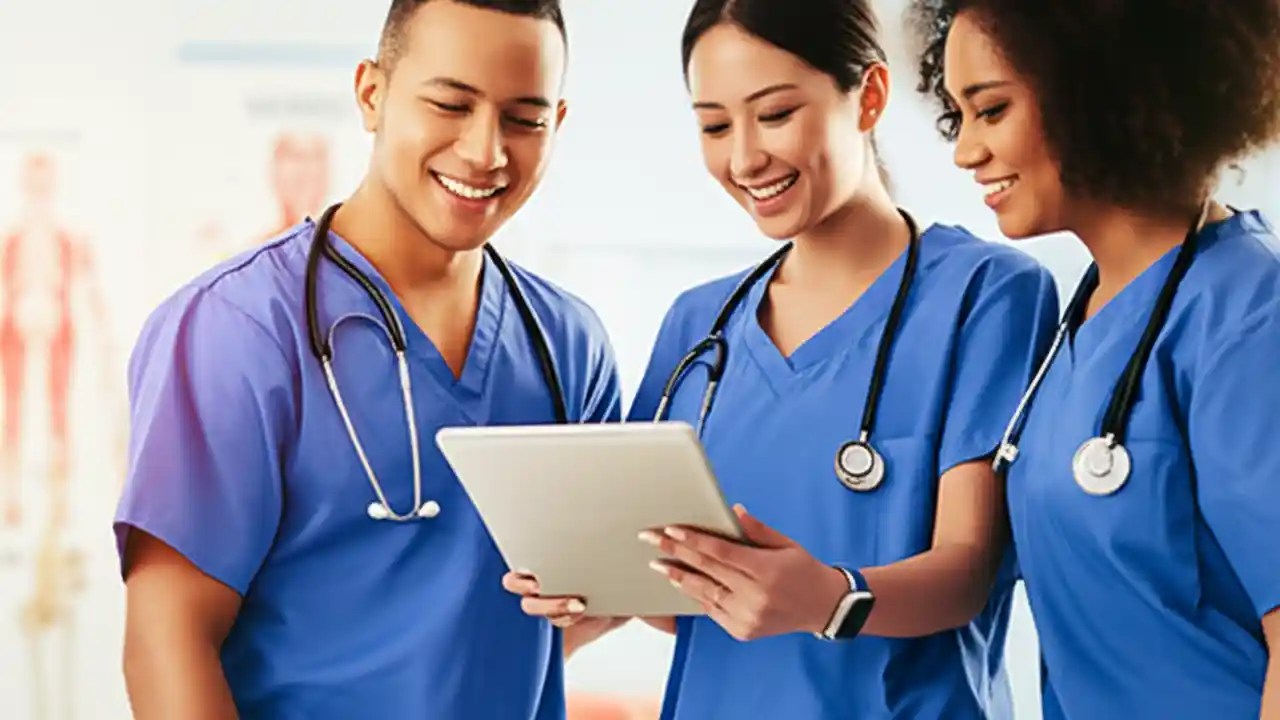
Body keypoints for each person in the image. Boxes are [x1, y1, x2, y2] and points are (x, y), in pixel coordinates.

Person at [506, 0, 1059, 717]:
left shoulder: (986, 294)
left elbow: (968, 573)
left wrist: (830, 598)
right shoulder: (699, 327)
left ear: (869, 96)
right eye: (713, 125)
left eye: (774, 115)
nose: (744, 157)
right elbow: (678, 597)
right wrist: (589, 595)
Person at [114, 1, 622, 718]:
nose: (486, 151)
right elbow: (167, 638)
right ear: (371, 94)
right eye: (451, 104)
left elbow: (562, 615)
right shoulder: (234, 330)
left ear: (557, 125)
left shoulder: (568, 345)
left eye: (524, 120)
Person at [909, 2, 1280, 718]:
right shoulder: (1077, 321)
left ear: (1104, 90)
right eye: (961, 117)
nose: (965, 151)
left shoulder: (1246, 317)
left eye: (991, 110)